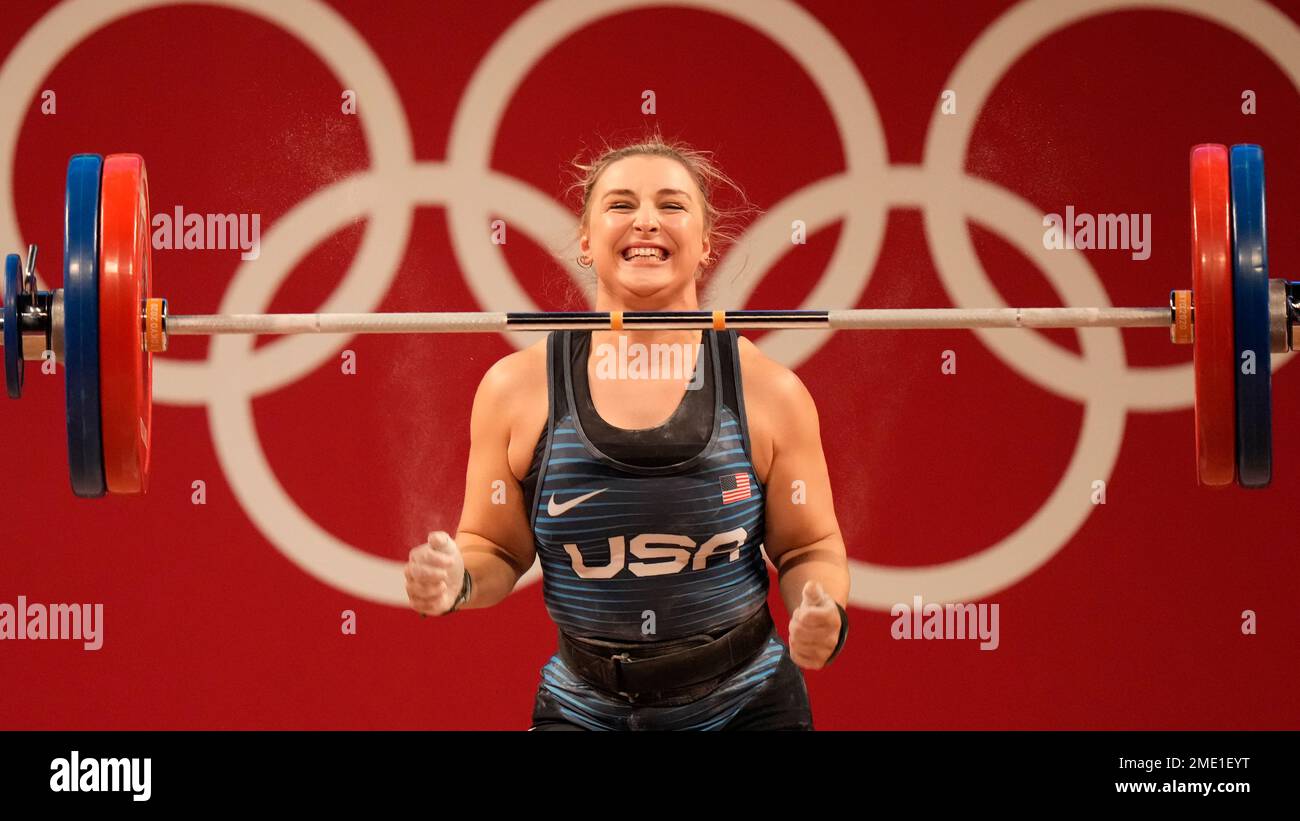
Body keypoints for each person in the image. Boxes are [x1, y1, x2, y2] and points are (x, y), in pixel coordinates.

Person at [404, 132, 850, 730]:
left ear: (705, 242)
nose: (645, 222)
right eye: (620, 205)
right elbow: (497, 549)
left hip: (748, 703)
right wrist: (458, 581)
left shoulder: (769, 392)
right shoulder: (516, 390)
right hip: (582, 708)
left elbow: (808, 549)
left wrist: (824, 613)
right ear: (586, 241)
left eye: (671, 205)